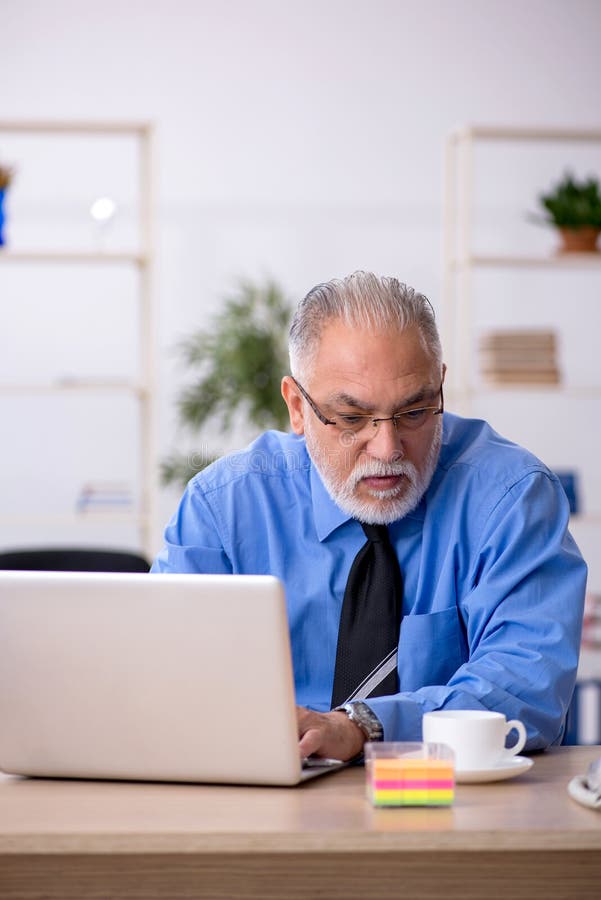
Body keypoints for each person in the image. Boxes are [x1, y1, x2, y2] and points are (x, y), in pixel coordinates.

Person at [152, 271, 587, 762]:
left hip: (456, 806)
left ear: (440, 387)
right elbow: (162, 678)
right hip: (264, 797)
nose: (387, 448)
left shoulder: (511, 498)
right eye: (352, 419)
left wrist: (364, 726)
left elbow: (527, 688)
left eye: (415, 412)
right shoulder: (224, 508)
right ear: (297, 407)